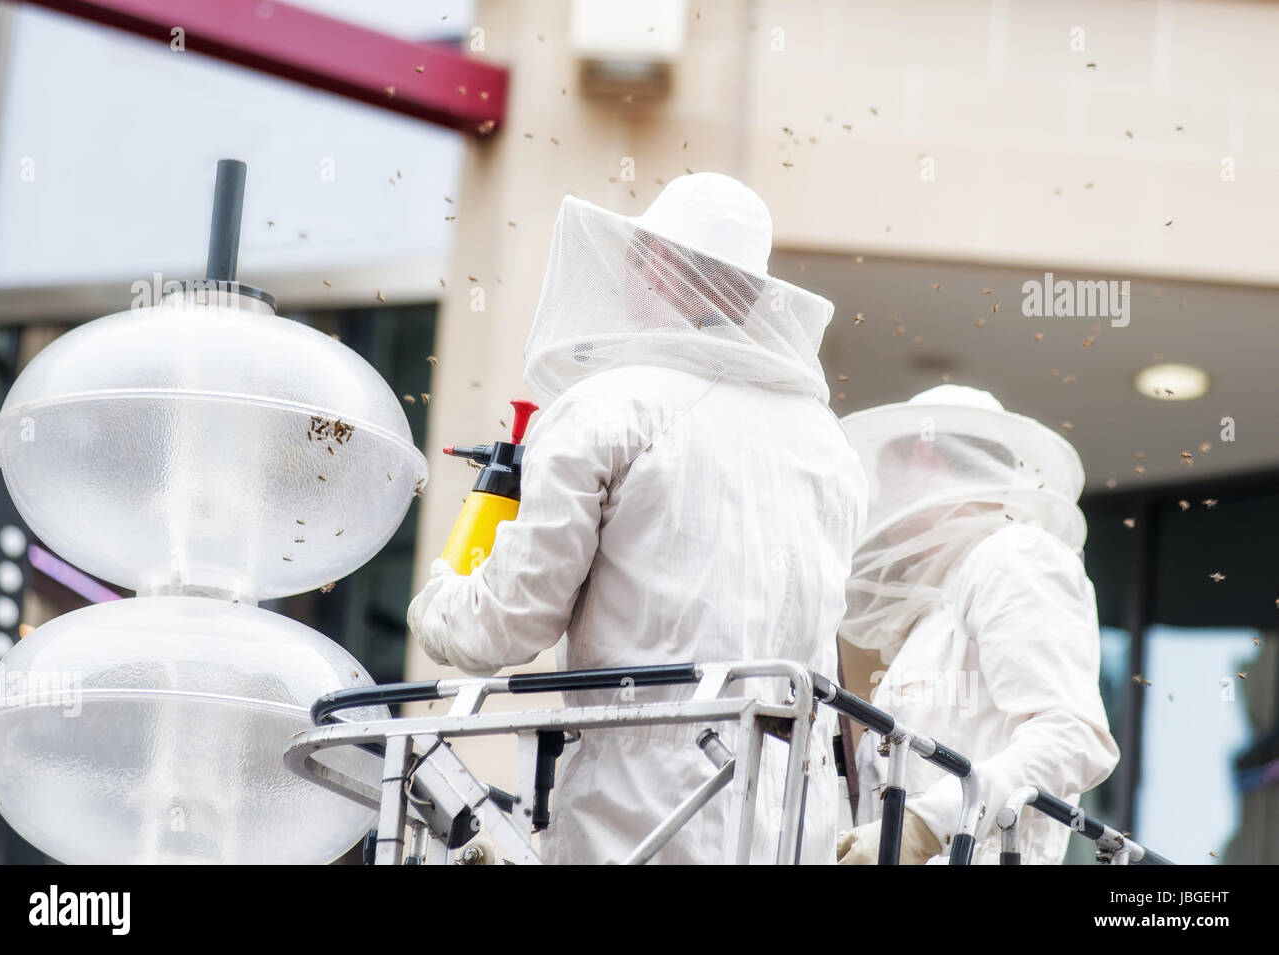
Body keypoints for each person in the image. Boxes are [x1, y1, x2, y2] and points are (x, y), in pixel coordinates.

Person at [407, 172, 867, 864]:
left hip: (644, 814)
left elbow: (509, 620)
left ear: (654, 262)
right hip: (792, 821)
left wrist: (438, 602)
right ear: (747, 293)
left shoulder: (610, 407)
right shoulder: (827, 442)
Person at [835, 384, 1119, 865]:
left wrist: (929, 823)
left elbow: (1073, 737)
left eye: (888, 477)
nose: (882, 498)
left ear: (927, 459)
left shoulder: (1015, 555)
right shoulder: (940, 605)